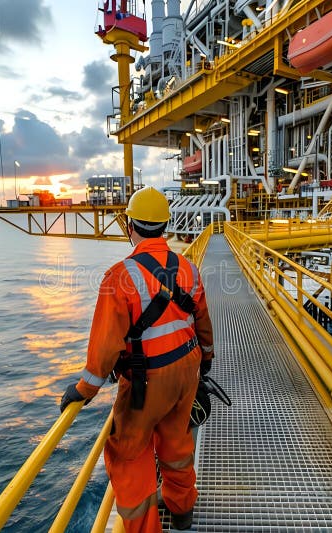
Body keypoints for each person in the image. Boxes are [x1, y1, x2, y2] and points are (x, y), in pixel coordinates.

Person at [60, 186, 215, 532]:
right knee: (176, 443)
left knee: (129, 454)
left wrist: (83, 389)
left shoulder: (119, 276)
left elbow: (104, 348)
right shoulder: (188, 268)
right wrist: (206, 360)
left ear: (130, 226)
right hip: (186, 372)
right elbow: (202, 321)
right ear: (165, 227)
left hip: (147, 383)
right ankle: (182, 509)